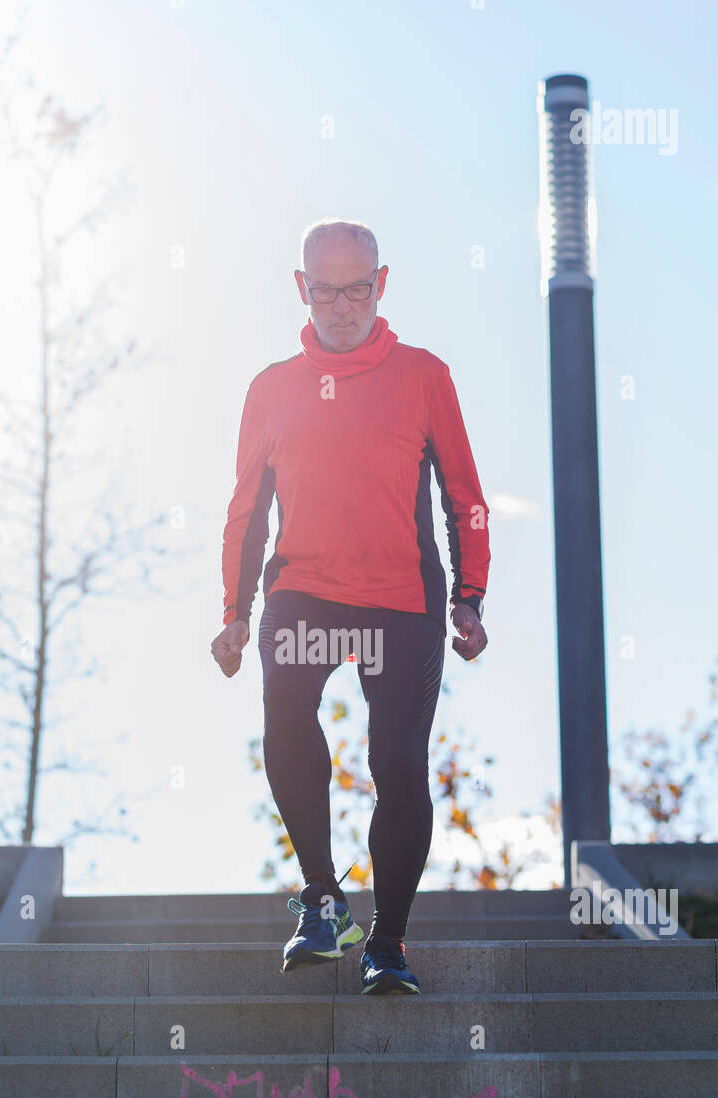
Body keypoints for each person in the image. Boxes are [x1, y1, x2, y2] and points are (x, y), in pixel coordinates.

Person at [211, 219, 489, 995]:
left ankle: (388, 943)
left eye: (357, 289)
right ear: (301, 289)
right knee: (285, 707)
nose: (341, 306)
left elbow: (463, 499)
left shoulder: (423, 375)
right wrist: (234, 610)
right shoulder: (270, 389)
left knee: (396, 761)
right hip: (304, 593)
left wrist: (469, 598)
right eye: (324, 290)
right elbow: (245, 510)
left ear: (381, 285)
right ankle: (323, 898)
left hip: (399, 602)